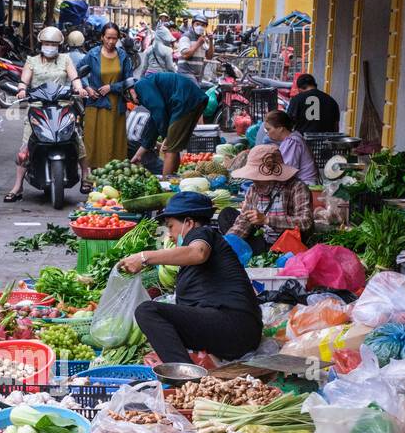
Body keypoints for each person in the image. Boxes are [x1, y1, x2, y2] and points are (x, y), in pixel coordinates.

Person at [119, 192, 263, 364]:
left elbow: (198, 252)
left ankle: (184, 377)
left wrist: (143, 257)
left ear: (188, 222)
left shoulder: (202, 233)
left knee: (147, 311)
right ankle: (186, 374)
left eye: (171, 227)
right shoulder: (190, 257)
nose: (169, 235)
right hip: (232, 332)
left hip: (235, 326)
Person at [5, 26, 88, 202]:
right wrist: (21, 90)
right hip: (37, 107)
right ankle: (18, 186)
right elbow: (24, 80)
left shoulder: (65, 60)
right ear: (41, 44)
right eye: (47, 43)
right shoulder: (32, 61)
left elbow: (75, 78)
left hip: (63, 106)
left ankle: (86, 177)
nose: (50, 46)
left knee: (77, 140)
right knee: (25, 147)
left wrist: (79, 88)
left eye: (54, 43)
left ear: (60, 45)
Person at [228, 143, 315, 248]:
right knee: (227, 215)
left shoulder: (297, 187)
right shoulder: (253, 189)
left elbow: (306, 222)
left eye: (258, 176)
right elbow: (243, 222)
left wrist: (267, 219)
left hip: (287, 243)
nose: (254, 180)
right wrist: (227, 243)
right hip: (263, 239)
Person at [130, 71, 208, 177]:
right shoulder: (148, 87)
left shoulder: (140, 86)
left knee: (169, 149)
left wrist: (165, 136)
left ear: (131, 91)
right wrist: (139, 154)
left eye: (129, 99)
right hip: (192, 99)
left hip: (184, 101)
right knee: (173, 147)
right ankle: (173, 180)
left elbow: (159, 109)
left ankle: (166, 184)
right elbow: (154, 123)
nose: (134, 103)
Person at [80, 23, 136, 168]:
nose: (111, 41)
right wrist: (87, 87)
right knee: (93, 142)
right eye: (108, 38)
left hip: (116, 105)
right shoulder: (92, 54)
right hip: (96, 104)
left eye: (115, 38)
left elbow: (129, 81)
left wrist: (112, 87)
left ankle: (113, 175)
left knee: (114, 142)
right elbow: (77, 72)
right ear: (102, 37)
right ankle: (90, 177)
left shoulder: (123, 56)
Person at [262, 109, 318, 185]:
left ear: (280, 128)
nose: (267, 134)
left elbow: (286, 171)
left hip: (306, 185)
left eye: (268, 129)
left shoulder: (292, 142)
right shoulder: (293, 139)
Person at [176, 14, 213, 82]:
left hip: (197, 75)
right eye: (197, 24)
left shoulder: (203, 39)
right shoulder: (186, 36)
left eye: (203, 25)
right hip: (185, 74)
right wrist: (198, 43)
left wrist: (211, 41)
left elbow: (209, 57)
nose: (200, 27)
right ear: (193, 25)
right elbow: (185, 55)